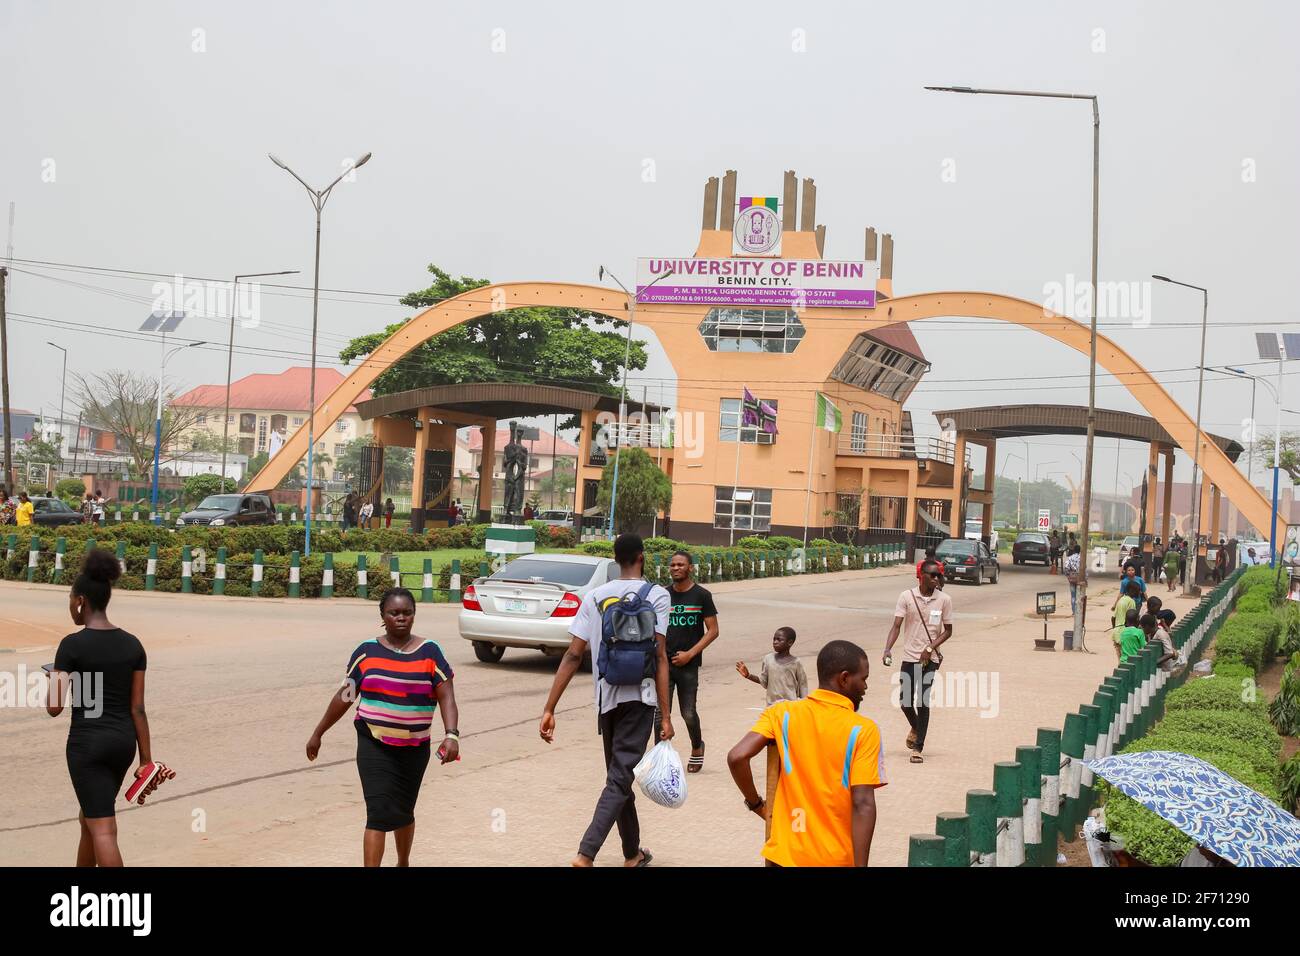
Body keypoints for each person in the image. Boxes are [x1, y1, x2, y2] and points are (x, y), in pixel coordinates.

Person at [538, 533, 672, 867]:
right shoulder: (657, 596)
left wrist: (549, 707)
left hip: (607, 697)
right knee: (619, 777)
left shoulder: (595, 597)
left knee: (619, 775)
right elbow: (660, 658)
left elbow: (572, 655)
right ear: (641, 557)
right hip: (640, 698)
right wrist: (666, 715)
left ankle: (632, 853)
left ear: (616, 560)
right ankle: (586, 854)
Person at [306, 587, 460, 867]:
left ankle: (403, 862)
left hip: (414, 748)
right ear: (383, 616)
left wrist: (451, 735)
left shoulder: (430, 652)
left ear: (414, 615)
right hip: (373, 743)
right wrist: (319, 732)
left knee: (403, 809)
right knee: (377, 812)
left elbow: (446, 695)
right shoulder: (367, 652)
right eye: (394, 613)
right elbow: (346, 696)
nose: (401, 618)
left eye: (407, 613)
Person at [45, 549, 173, 866]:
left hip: (87, 747)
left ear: (80, 602)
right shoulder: (133, 645)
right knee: (89, 818)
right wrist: (146, 760)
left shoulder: (71, 646)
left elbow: (54, 707)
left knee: (104, 830)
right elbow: (138, 708)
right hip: (122, 745)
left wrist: (56, 678)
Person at [726, 640, 885, 867]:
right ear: (845, 678)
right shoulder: (863, 730)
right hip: (833, 859)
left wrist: (756, 805)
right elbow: (863, 804)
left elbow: (737, 757)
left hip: (783, 856)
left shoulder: (782, 714)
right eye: (864, 679)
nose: (866, 688)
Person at [882, 558, 952, 764]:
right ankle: (916, 727)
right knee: (904, 701)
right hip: (909, 657)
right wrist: (887, 648)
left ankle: (918, 747)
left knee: (922, 700)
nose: (937, 578)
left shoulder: (944, 600)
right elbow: (896, 626)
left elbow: (948, 631)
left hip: (930, 659)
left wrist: (930, 648)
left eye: (938, 575)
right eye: (933, 575)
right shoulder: (906, 596)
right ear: (922, 577)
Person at [664, 550, 718, 773]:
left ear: (690, 568)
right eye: (673, 565)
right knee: (661, 713)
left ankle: (697, 747)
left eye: (681, 565)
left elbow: (713, 631)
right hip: (663, 664)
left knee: (688, 713)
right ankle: (663, 758)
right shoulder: (663, 595)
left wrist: (690, 654)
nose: (676, 568)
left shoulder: (701, 595)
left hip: (688, 666)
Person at [736, 626, 808, 706]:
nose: (775, 642)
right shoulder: (768, 659)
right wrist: (748, 675)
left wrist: (803, 705)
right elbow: (764, 681)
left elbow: (803, 685)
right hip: (772, 706)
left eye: (779, 640)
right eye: (774, 639)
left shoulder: (796, 662)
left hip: (790, 706)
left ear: (789, 643)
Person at [1111, 585, 1136, 662]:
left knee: (1120, 659)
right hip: (1125, 633)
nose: (1139, 592)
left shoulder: (1121, 600)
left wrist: (1115, 628)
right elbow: (1132, 617)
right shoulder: (1131, 601)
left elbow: (1113, 618)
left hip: (1116, 633)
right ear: (1132, 590)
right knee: (1126, 660)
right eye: (1138, 590)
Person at [1064, 544, 1081, 614]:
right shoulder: (1082, 558)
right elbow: (1084, 569)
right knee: (1079, 595)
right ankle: (1078, 611)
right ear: (1080, 551)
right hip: (1080, 578)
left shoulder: (1070, 558)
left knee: (1073, 596)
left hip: (1072, 578)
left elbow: (1066, 567)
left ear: (1074, 550)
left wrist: (1068, 575)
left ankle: (1074, 611)